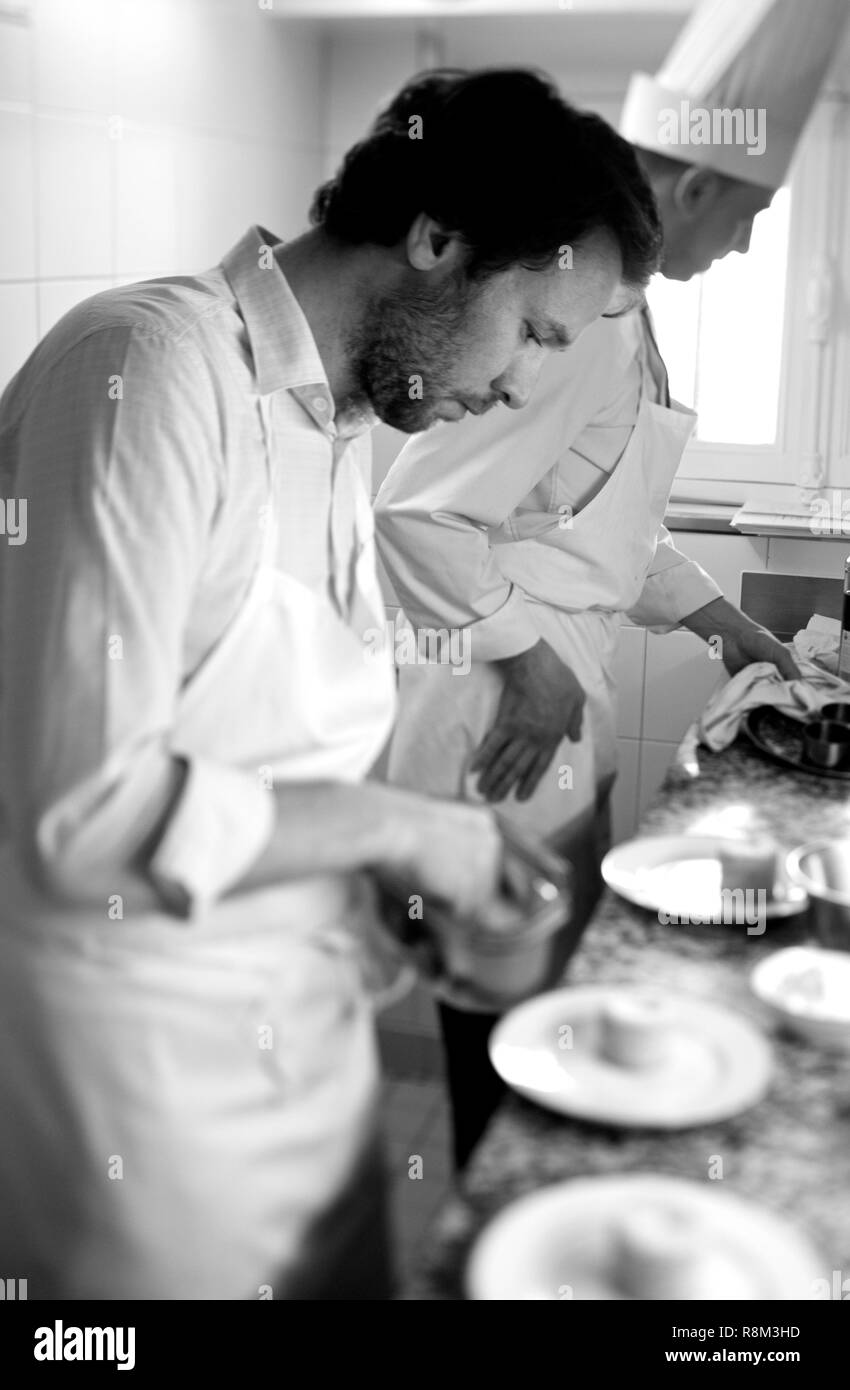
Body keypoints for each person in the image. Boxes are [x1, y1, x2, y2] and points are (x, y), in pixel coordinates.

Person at [0, 68, 661, 1299]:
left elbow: (260, 766)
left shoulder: (339, 423)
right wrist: (406, 827)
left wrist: (405, 896)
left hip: (292, 1045)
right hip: (140, 1098)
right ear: (435, 238)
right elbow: (79, 817)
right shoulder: (145, 373)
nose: (520, 385)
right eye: (534, 331)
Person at [374, 0, 850, 1170]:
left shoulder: (621, 311)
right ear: (691, 188)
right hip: (492, 715)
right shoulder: (570, 313)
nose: (741, 246)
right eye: (749, 217)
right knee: (501, 1011)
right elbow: (416, 516)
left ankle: (530, 1197)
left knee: (546, 993)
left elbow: (597, 530)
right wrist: (534, 670)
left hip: (545, 709)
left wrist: (723, 619)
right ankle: (502, 1211)